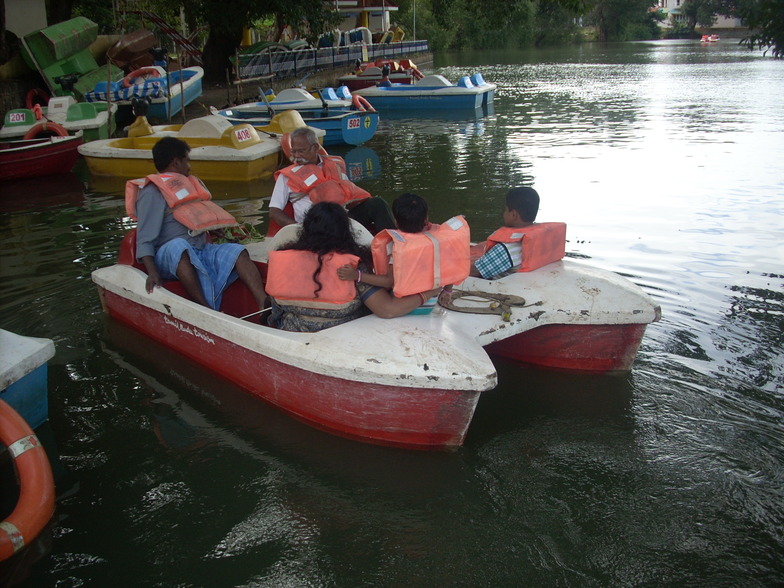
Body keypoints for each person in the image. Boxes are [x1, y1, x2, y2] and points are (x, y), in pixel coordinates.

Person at [132, 136, 267, 312]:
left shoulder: (189, 186)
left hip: (200, 250)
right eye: (187, 160)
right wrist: (152, 272)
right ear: (176, 162)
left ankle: (264, 304)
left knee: (237, 252)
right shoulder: (152, 193)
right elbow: (144, 239)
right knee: (179, 247)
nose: (189, 166)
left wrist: (212, 230)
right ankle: (205, 309)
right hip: (168, 256)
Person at [265, 202, 441, 332]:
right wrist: (429, 293)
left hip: (292, 332)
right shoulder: (352, 266)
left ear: (306, 229)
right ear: (345, 230)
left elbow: (277, 309)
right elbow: (387, 310)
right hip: (342, 335)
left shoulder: (281, 258)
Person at [268, 127, 397, 234]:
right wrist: (298, 228)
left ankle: (394, 248)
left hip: (344, 218)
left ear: (315, 148)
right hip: (316, 225)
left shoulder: (334, 166)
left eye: (301, 151)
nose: (296, 156)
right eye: (294, 152)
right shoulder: (286, 176)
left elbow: (348, 194)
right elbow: (274, 211)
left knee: (377, 203)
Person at [471, 187, 540, 280]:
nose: (504, 214)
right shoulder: (539, 237)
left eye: (506, 210)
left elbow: (473, 271)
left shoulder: (507, 248)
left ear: (513, 215)